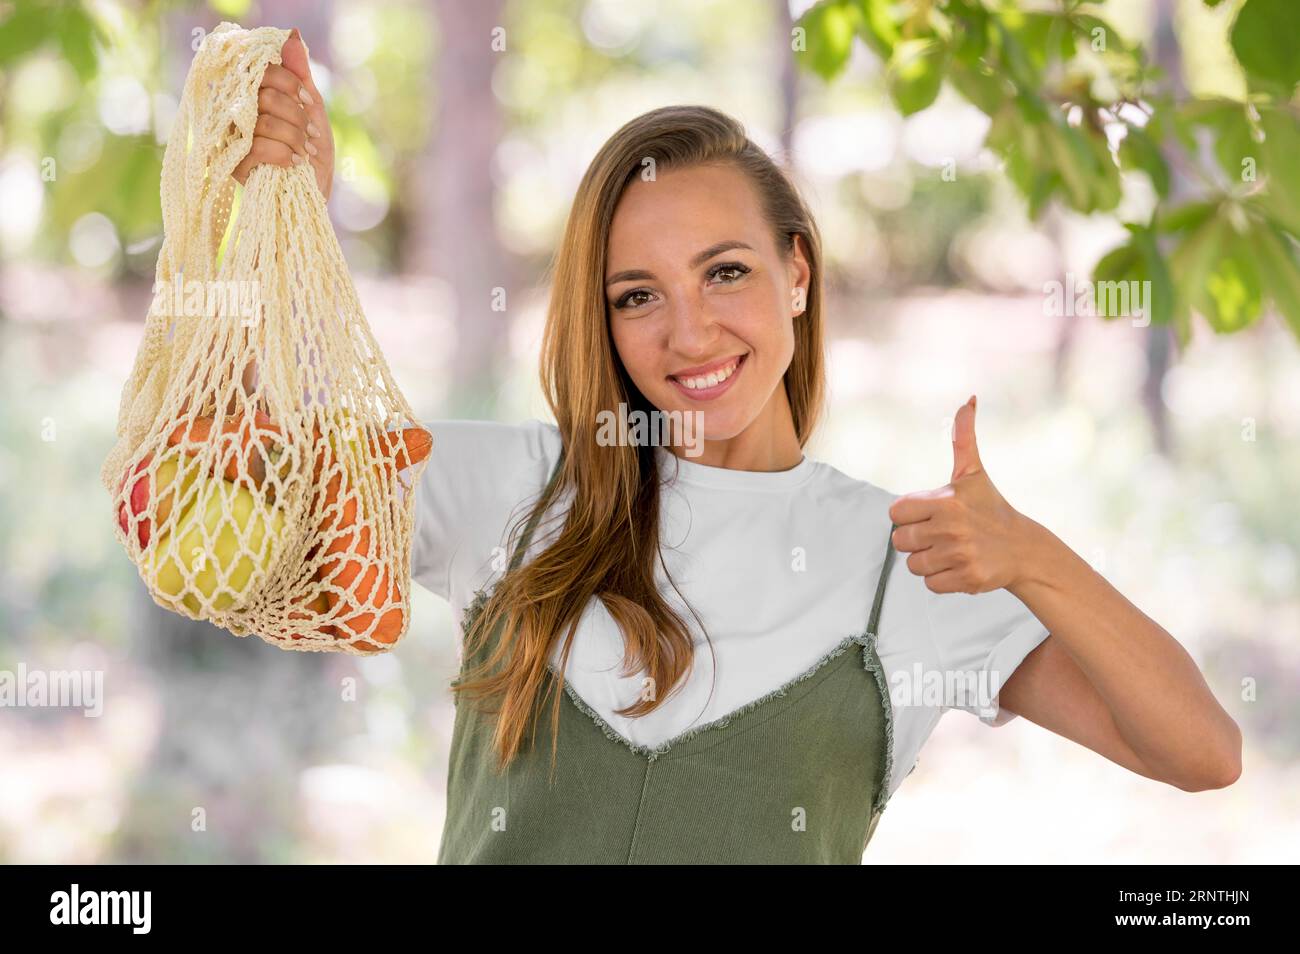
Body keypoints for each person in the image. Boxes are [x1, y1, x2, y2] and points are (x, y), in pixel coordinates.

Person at [244, 32, 1242, 864]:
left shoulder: (907, 571)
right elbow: (237, 475)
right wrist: (280, 215)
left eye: (724, 273)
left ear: (796, 272)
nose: (687, 333)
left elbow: (1200, 751)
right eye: (637, 295)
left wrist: (1031, 557)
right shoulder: (508, 489)